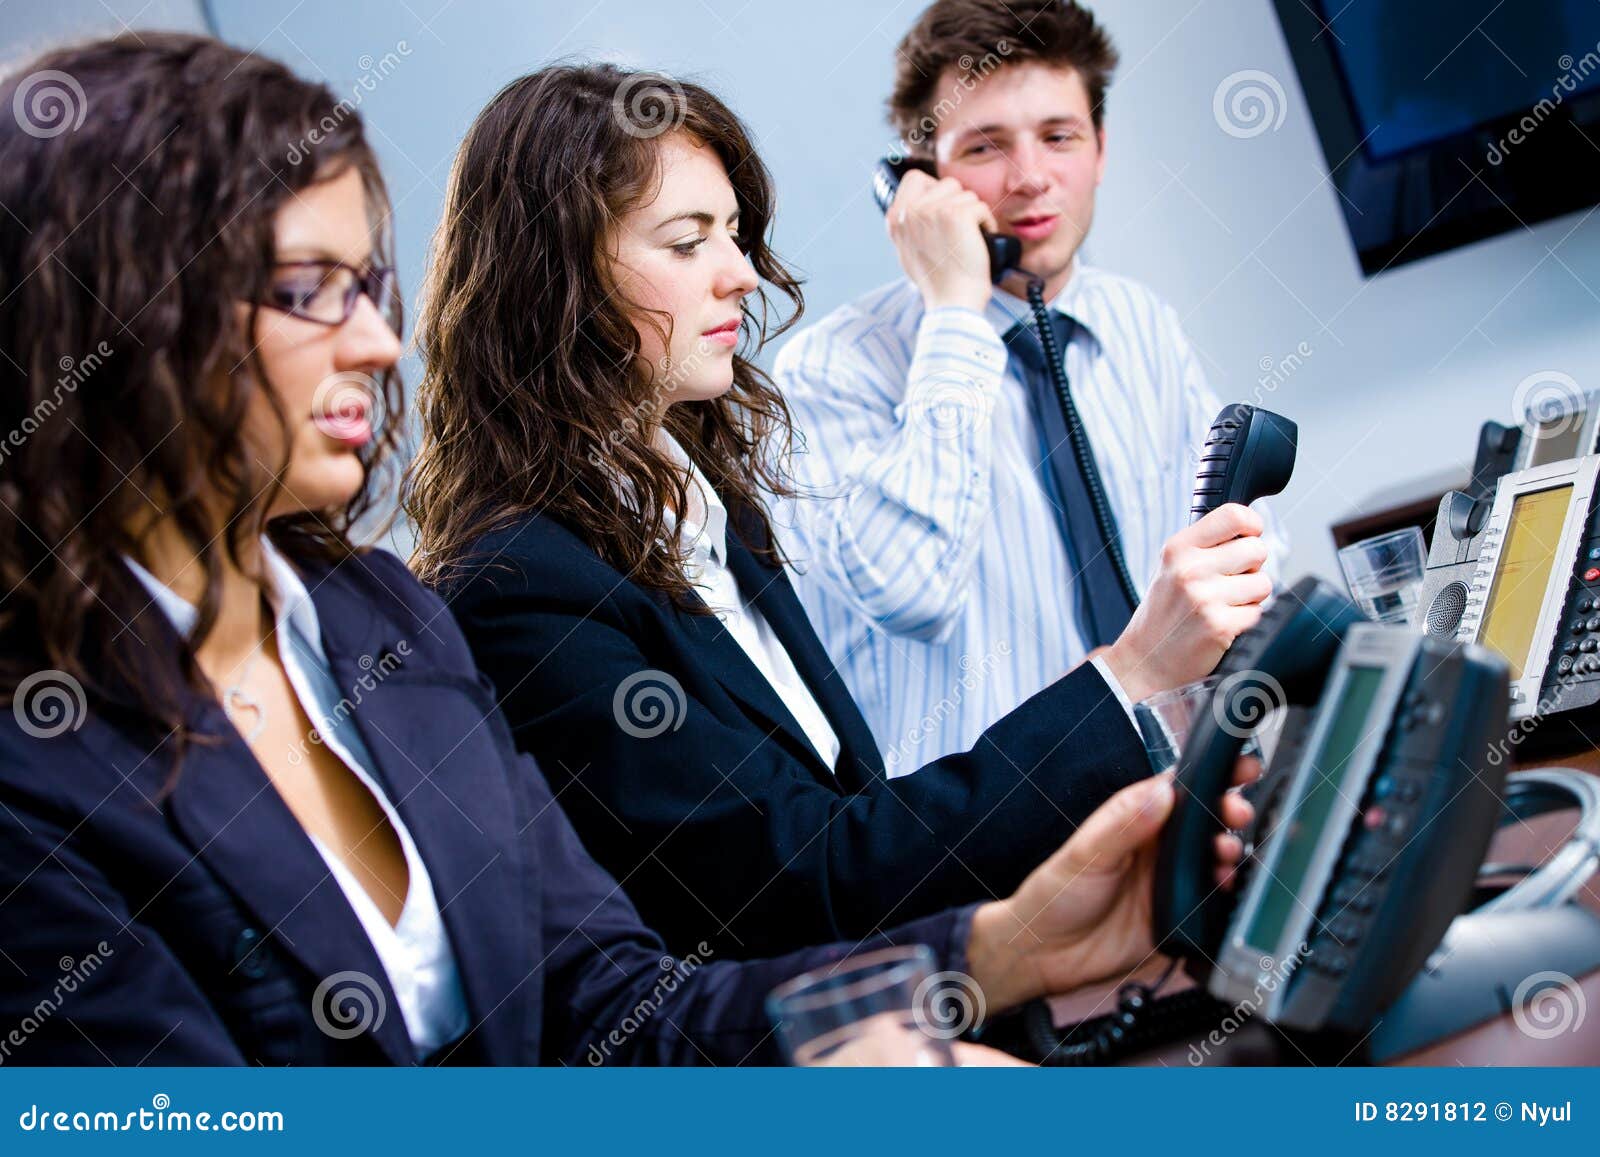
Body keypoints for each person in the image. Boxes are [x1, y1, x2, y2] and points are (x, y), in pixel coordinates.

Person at [0, 33, 1258, 1068]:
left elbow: (612, 1004)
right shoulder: (497, 591)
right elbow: (786, 879)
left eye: (367, 288)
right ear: (117, 323)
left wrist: (995, 951)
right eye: (305, 288)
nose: (380, 346)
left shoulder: (385, 620)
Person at [407, 62, 1269, 961]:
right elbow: (805, 879)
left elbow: (855, 832)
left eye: (734, 234)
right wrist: (1128, 676)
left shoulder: (707, 507)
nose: (741, 274)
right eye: (687, 240)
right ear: (559, 277)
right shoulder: (520, 588)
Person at [773, 0, 1287, 772]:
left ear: (1101, 147)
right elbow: (910, 590)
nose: (1031, 178)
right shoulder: (831, 366)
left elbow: (1244, 560)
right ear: (919, 180)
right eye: (985, 147)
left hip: (1183, 801)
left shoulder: (1140, 322)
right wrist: (957, 311)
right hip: (984, 853)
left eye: (1059, 136)